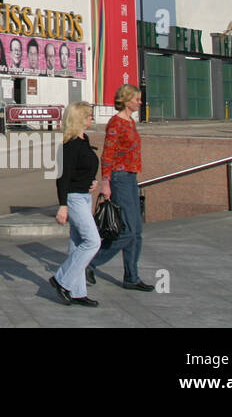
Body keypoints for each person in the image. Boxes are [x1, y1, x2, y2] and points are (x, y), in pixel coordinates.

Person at [87, 84, 153, 292]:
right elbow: (108, 154)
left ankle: (132, 277)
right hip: (120, 178)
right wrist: (106, 182)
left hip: (131, 177)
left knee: (137, 232)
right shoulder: (116, 123)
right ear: (126, 100)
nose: (140, 102)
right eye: (136, 99)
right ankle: (90, 263)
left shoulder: (130, 122)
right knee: (127, 231)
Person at [50, 101, 100, 307]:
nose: (92, 119)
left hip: (84, 196)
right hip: (74, 199)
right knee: (93, 241)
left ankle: (78, 292)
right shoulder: (69, 146)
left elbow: (84, 169)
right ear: (80, 118)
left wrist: (92, 181)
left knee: (78, 244)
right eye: (88, 116)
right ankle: (61, 279)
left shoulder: (84, 140)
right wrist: (62, 205)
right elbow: (62, 178)